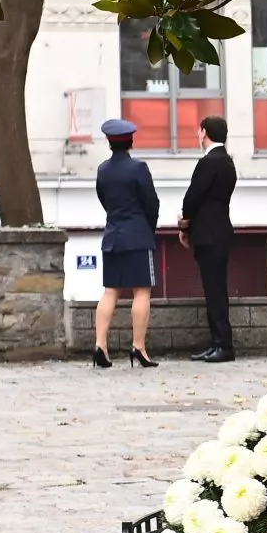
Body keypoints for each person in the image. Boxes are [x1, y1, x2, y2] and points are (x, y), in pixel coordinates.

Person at [92, 118, 159, 369]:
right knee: (141, 291)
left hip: (112, 237)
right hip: (138, 236)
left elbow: (104, 199)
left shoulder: (102, 170)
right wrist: (146, 227)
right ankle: (138, 348)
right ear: (131, 141)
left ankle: (100, 344)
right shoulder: (138, 168)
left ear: (109, 143)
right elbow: (152, 203)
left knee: (110, 291)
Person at [179, 114, 238, 363]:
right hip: (220, 232)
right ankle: (217, 343)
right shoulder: (228, 162)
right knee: (216, 290)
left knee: (214, 291)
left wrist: (184, 223)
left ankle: (223, 345)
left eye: (199, 131)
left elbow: (193, 197)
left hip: (208, 235)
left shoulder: (208, 163)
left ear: (205, 133)